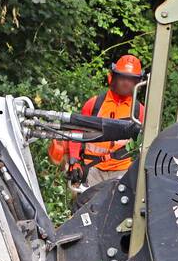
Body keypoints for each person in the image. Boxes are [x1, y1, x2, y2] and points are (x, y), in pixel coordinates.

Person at [49, 54, 145, 192]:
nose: (126, 83)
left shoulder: (140, 111)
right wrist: (74, 161)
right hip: (93, 168)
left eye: (131, 80)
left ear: (138, 83)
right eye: (123, 77)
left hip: (123, 171)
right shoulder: (95, 104)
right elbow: (76, 132)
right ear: (113, 77)